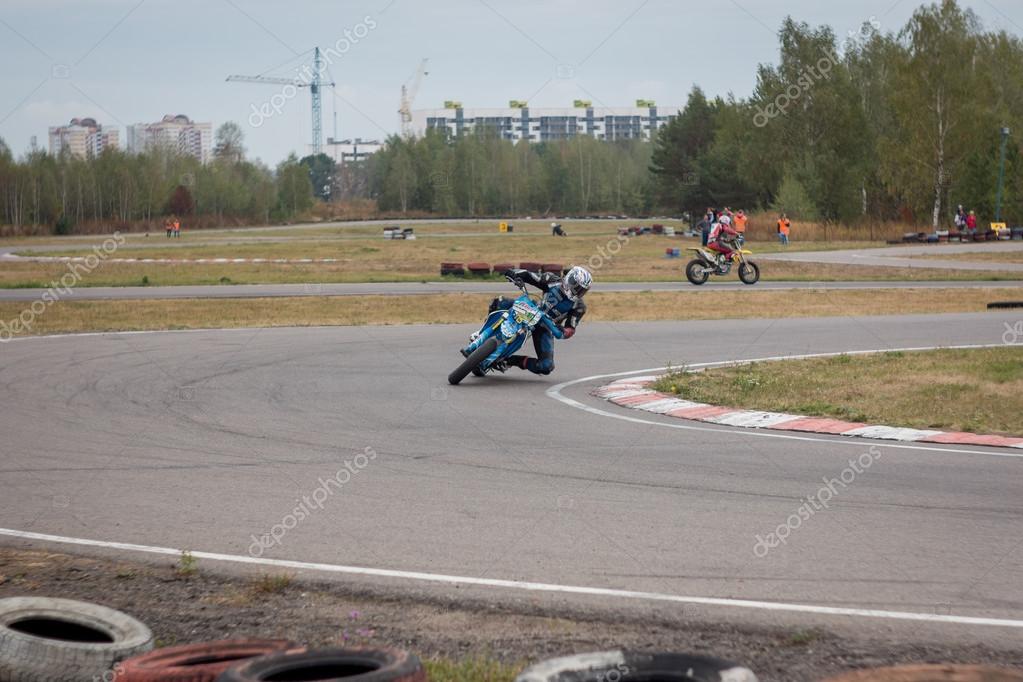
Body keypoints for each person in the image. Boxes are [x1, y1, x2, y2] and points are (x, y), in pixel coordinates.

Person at [485, 265, 591, 375]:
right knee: (498, 302)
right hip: (529, 309)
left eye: (581, 290)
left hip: (545, 325)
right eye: (575, 286)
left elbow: (570, 329)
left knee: (546, 366)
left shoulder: (579, 307)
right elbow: (529, 275)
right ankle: (484, 334)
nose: (577, 291)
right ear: (569, 279)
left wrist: (563, 331)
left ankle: (507, 361)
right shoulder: (551, 280)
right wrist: (514, 273)